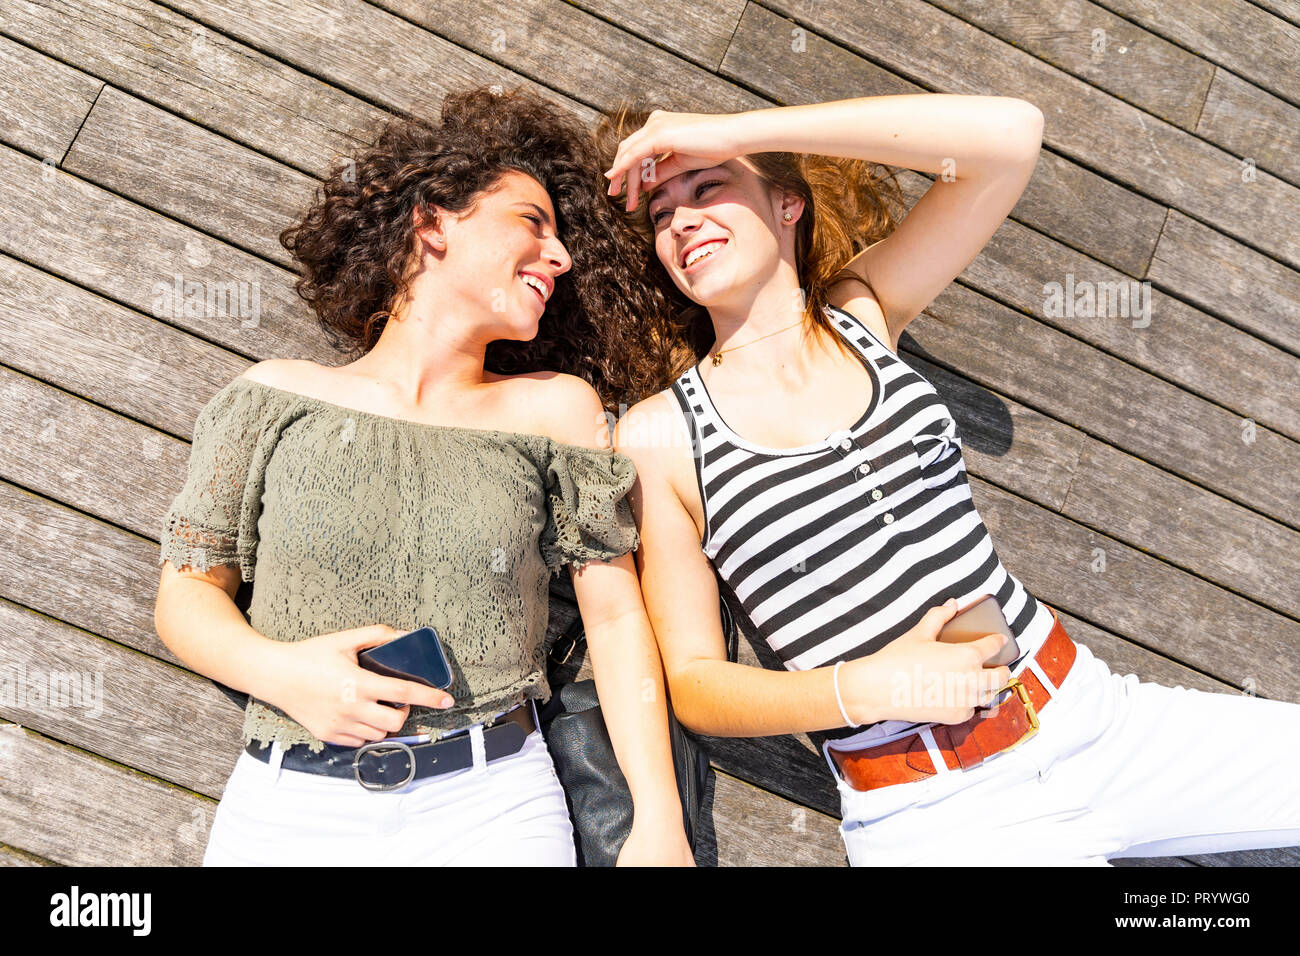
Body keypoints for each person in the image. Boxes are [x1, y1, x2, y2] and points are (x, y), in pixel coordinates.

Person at [597, 94, 1300, 865]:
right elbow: (695, 682)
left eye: (705, 187)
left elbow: (1010, 138)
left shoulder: (861, 315)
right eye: (660, 214)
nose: (682, 221)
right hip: (935, 811)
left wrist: (729, 132)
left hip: (1088, 719)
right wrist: (866, 689)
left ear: (787, 201)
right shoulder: (662, 435)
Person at [153, 86, 694, 866]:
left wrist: (658, 821)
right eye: (532, 222)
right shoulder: (271, 396)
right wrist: (286, 674)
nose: (562, 256)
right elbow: (186, 594)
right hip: (287, 807)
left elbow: (614, 622)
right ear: (432, 220)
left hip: (492, 806)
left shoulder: (557, 413)